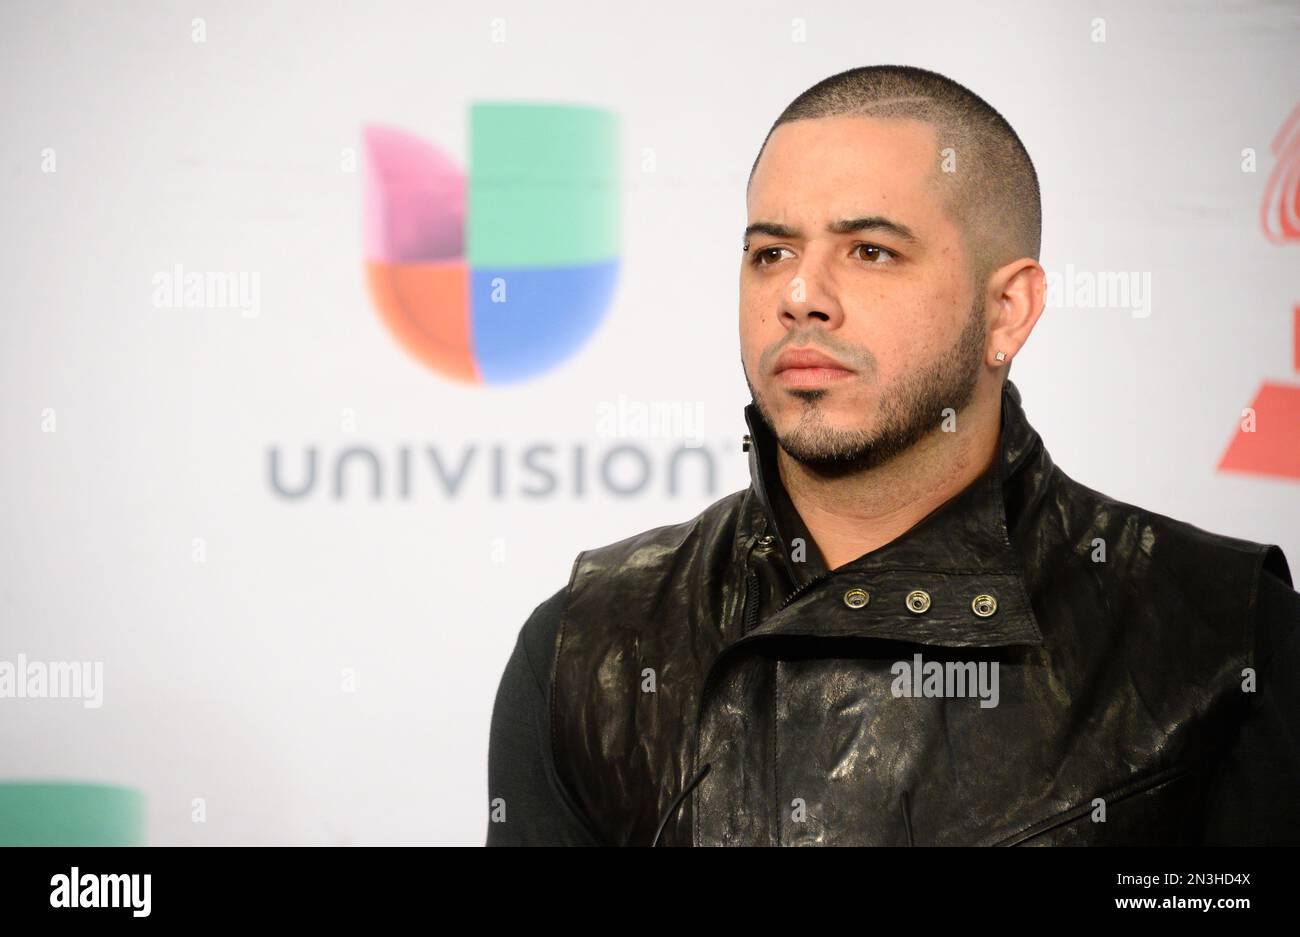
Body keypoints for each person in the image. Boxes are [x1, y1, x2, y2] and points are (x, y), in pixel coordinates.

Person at [486, 64, 1300, 846]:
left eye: (869, 250)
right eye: (771, 252)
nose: (800, 294)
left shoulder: (1221, 634)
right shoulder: (591, 645)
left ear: (1008, 309)